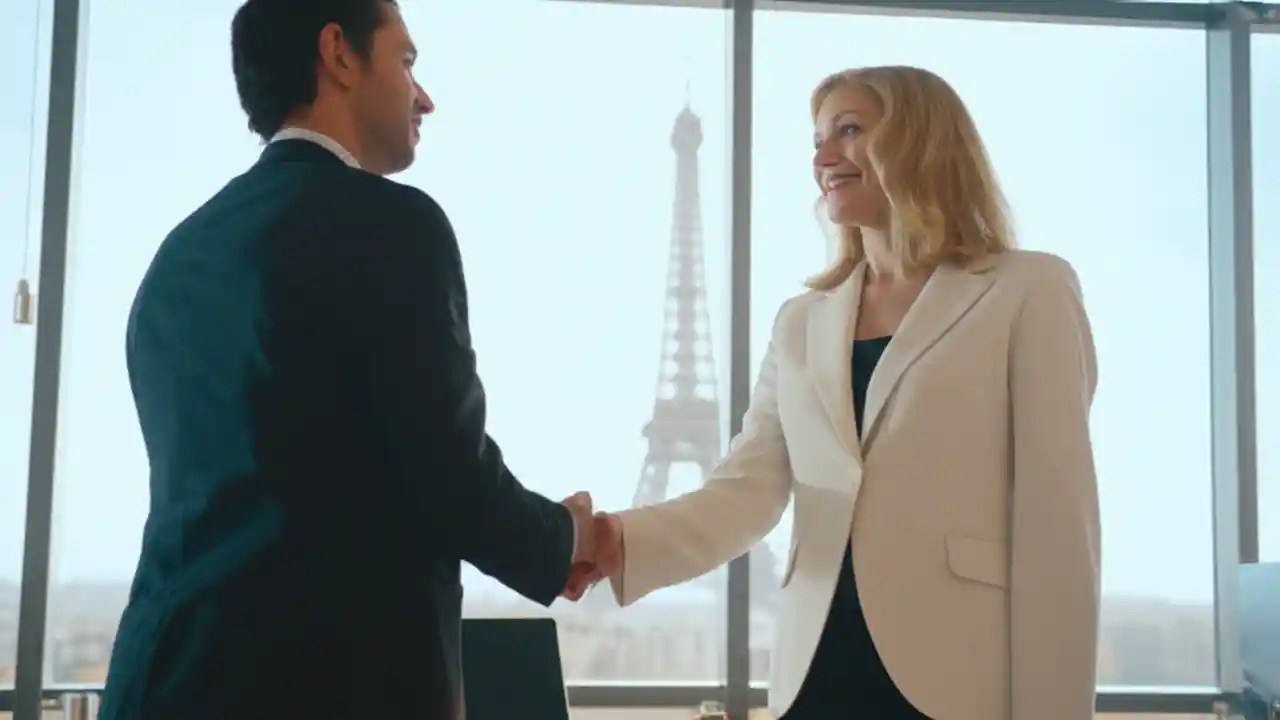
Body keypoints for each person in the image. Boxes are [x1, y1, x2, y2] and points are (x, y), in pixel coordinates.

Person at [99, 1, 595, 718]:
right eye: (406, 61)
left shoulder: (176, 258)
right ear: (338, 54)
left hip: (158, 681)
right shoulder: (395, 226)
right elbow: (449, 477)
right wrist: (569, 535)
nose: (424, 96)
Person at [571, 65, 1101, 720]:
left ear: (922, 142)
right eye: (817, 139)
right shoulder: (803, 321)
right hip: (813, 675)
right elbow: (745, 493)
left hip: (957, 681)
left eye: (848, 130)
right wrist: (624, 538)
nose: (823, 157)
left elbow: (1058, 531)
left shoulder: (1028, 291)